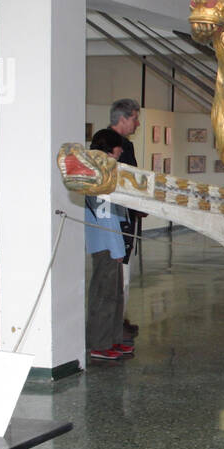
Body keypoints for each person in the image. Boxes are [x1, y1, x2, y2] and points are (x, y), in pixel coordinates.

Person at [85, 129, 134, 362]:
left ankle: (112, 339)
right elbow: (106, 219)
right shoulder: (98, 175)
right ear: (109, 149)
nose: (121, 151)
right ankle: (100, 344)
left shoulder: (103, 172)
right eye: (118, 148)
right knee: (104, 297)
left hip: (111, 245)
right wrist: (117, 250)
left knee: (115, 297)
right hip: (106, 246)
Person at [106, 98, 143, 339]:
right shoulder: (108, 144)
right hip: (115, 216)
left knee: (124, 270)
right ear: (123, 118)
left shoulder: (125, 145)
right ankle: (114, 322)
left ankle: (119, 318)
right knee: (117, 271)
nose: (138, 123)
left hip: (125, 214)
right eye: (135, 118)